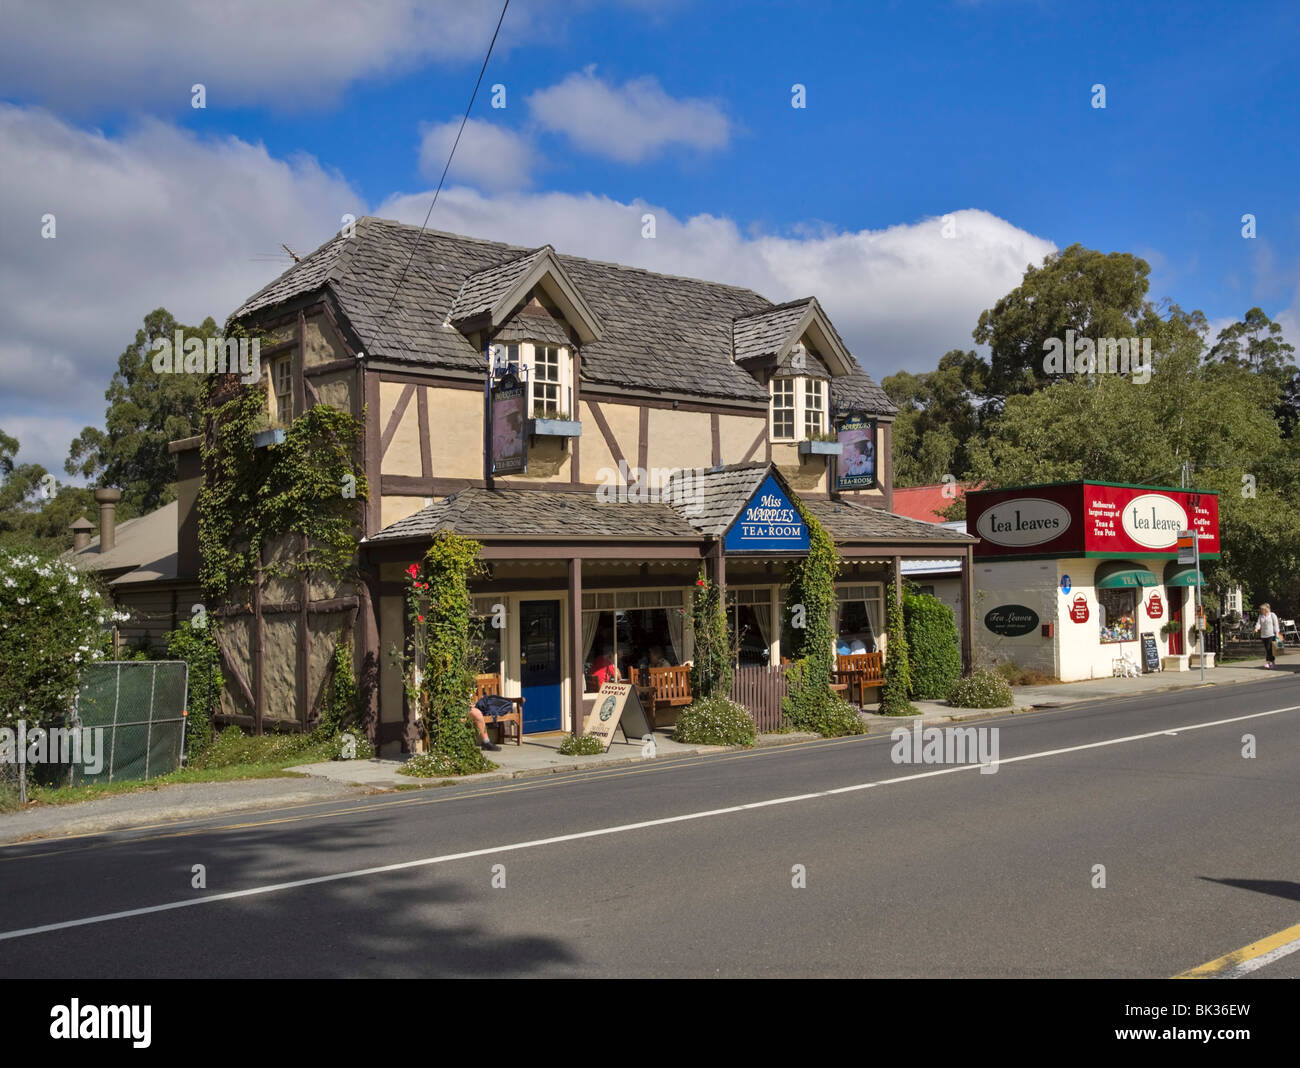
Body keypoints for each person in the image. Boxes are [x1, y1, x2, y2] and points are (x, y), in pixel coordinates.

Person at [1254, 603, 1282, 668]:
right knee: (1267, 649)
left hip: (1271, 634)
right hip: (1263, 635)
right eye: (1261, 609)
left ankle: (1268, 663)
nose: (1261, 611)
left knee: (1269, 649)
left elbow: (1276, 624)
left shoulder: (1272, 615)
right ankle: (1273, 664)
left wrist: (1277, 633)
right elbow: (1258, 623)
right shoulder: (1261, 616)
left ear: (1266, 609)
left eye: (1262, 609)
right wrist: (1257, 628)